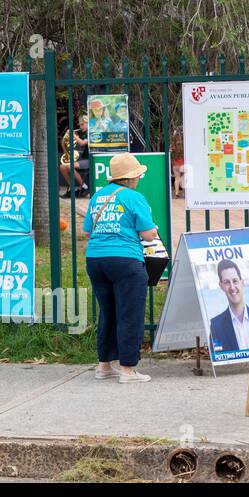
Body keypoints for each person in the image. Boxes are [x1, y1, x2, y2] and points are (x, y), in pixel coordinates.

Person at [82, 152, 160, 383]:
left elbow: (87, 231)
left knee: (108, 312)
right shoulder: (134, 198)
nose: (139, 179)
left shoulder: (97, 197)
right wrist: (152, 230)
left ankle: (104, 366)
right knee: (130, 313)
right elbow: (148, 234)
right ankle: (127, 369)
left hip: (95, 260)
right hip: (125, 260)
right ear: (131, 178)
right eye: (138, 175)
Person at [208, 259, 249, 354]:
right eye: (227, 282)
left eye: (235, 281)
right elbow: (217, 359)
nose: (232, 287)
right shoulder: (216, 326)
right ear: (221, 286)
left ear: (242, 282)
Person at [58, 112, 90, 198]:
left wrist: (74, 136)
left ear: (88, 123)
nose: (80, 127)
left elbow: (82, 143)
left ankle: (84, 187)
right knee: (62, 167)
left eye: (82, 124)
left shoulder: (91, 133)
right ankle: (73, 189)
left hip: (90, 159)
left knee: (70, 166)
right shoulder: (83, 134)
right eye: (80, 125)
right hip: (83, 159)